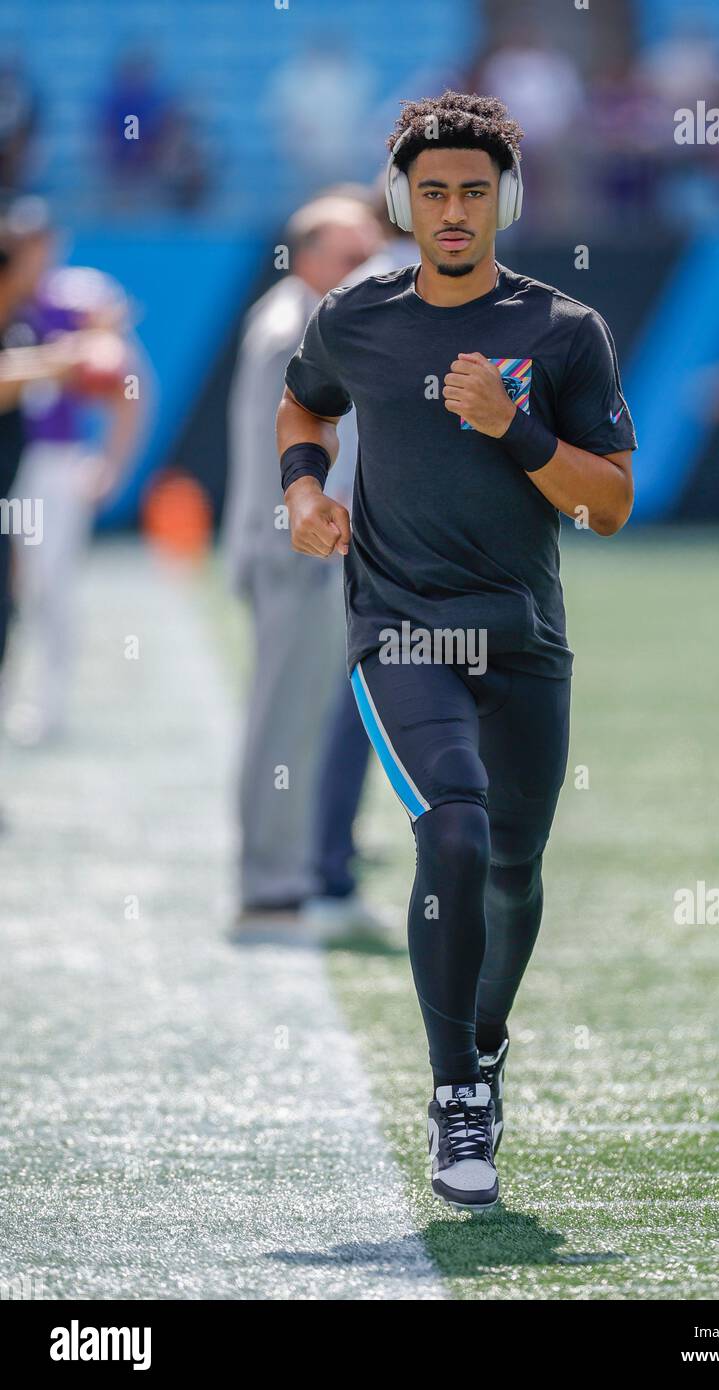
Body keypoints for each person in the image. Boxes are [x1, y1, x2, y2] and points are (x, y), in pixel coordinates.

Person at [277, 92, 636, 1209]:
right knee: (458, 829)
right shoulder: (356, 317)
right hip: (400, 625)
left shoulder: (564, 331)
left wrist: (516, 428)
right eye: (429, 190)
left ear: (504, 201)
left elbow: (611, 504)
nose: (449, 209)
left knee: (514, 868)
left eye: (471, 191)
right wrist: (301, 493)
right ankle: (455, 1098)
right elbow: (305, 406)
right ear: (399, 199)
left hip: (523, 635)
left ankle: (480, 1047)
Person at [223, 194, 381, 941]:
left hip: (300, 549)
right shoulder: (295, 326)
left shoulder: (303, 319)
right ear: (309, 256)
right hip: (294, 553)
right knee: (285, 724)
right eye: (352, 259)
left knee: (302, 721)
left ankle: (284, 876)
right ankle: (272, 884)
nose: (368, 272)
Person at [304, 202, 417, 935]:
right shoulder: (397, 284)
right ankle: (328, 869)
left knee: (370, 699)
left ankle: (331, 861)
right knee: (367, 701)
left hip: (375, 520)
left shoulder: (372, 286)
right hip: (388, 529)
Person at [4, 228, 141, 746]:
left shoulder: (76, 303)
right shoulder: (16, 303)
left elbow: (131, 388)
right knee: (14, 586)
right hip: (14, 460)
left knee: (47, 586)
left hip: (52, 463)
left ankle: (47, 704)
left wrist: (110, 462)